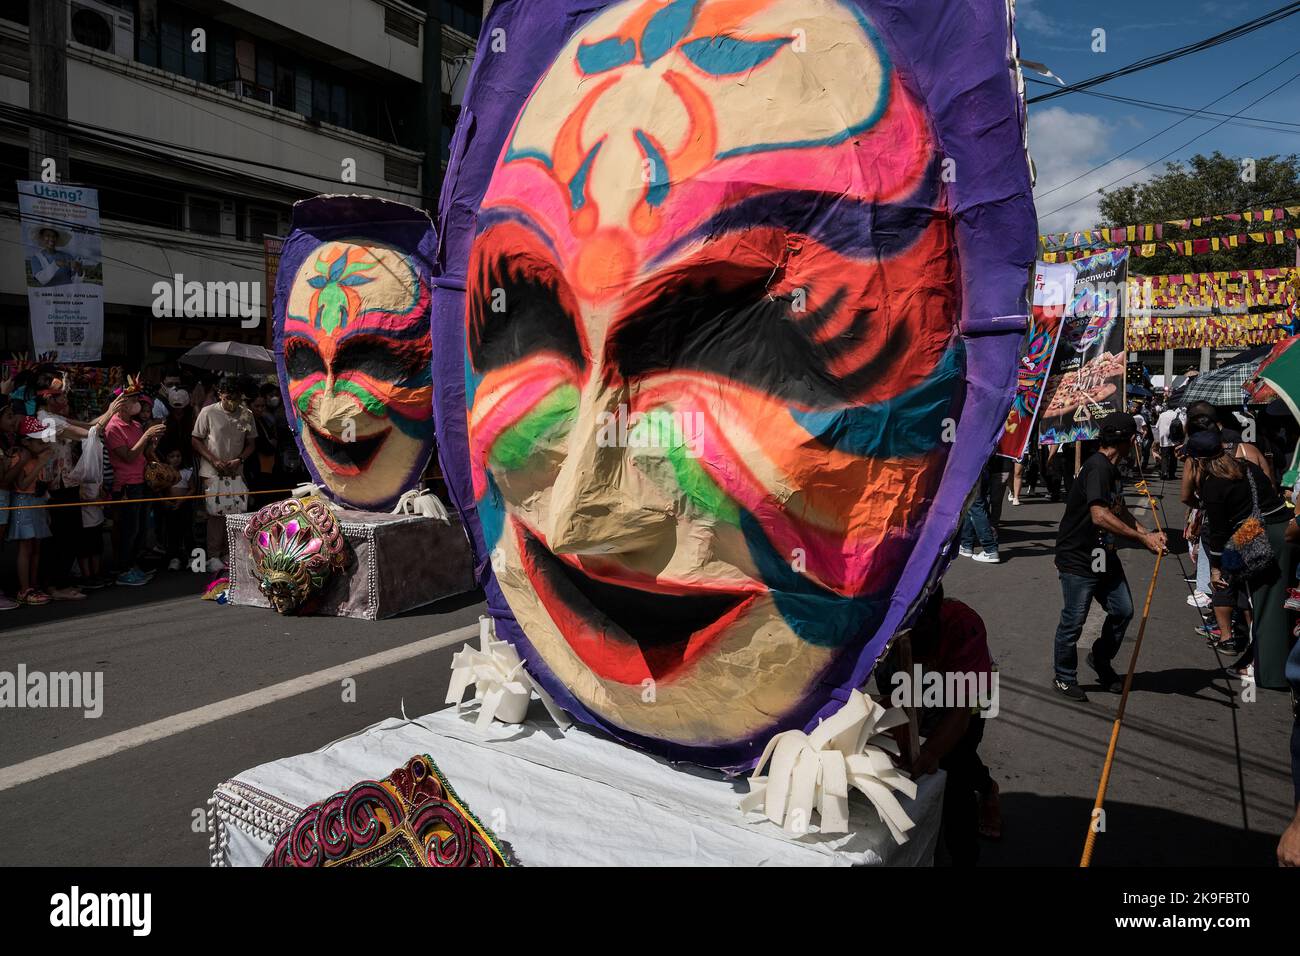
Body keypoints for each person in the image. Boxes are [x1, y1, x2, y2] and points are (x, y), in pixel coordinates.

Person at [1051, 413, 1166, 701]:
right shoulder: (1098, 468)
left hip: (1103, 554)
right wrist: (1141, 538)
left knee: (1122, 610)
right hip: (1078, 558)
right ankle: (1064, 676)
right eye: (1135, 438)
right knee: (1074, 621)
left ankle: (1100, 660)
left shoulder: (1112, 469)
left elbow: (1118, 509)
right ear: (1129, 441)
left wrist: (1149, 532)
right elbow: (1099, 515)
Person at [897, 585, 999, 864]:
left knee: (955, 773)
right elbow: (903, 702)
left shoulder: (966, 625)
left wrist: (929, 754)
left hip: (970, 690)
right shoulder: (889, 629)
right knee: (916, 755)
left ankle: (965, 855)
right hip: (917, 682)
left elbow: (960, 712)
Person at [1192, 431, 1293, 685]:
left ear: (1199, 460)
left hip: (1255, 537)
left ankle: (1266, 669)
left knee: (1263, 605)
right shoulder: (1246, 467)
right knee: (1282, 601)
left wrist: (1217, 569)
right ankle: (1263, 659)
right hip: (1284, 530)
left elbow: (1218, 531)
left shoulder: (1213, 483)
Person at [104, 383, 166, 586]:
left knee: (139, 529)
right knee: (128, 530)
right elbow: (128, 456)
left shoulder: (136, 425)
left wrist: (152, 441)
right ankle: (123, 569)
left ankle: (133, 565)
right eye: (132, 401)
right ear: (120, 404)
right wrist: (146, 436)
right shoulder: (113, 427)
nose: (136, 404)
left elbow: (143, 453)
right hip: (126, 486)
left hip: (142, 480)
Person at [191, 376, 254, 573]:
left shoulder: (246, 414)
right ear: (220, 395)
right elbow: (196, 439)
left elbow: (251, 443)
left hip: (236, 470)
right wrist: (213, 459)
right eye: (228, 397)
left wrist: (240, 460)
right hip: (212, 470)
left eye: (235, 398)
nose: (231, 402)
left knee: (235, 513)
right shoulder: (208, 412)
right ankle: (213, 556)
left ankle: (230, 552)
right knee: (215, 514)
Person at [1, 416, 56, 605]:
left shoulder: (37, 456)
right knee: (25, 547)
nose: (42, 443)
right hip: (24, 502)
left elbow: (42, 481)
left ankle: (34, 584)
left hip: (39, 502)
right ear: (26, 441)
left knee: (36, 547)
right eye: (38, 440)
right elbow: (22, 485)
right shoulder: (19, 456)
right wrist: (41, 462)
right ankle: (24, 589)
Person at [959, 460, 1000, 564]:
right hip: (981, 467)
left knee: (975, 507)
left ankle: (990, 549)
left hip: (973, 467)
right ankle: (966, 544)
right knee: (970, 505)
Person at [1155, 404, 1182, 480]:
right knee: (1174, 457)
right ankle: (1172, 473)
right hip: (1174, 439)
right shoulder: (1176, 415)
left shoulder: (1162, 415)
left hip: (1164, 439)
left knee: (1164, 456)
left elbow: (1157, 426)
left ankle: (1164, 472)